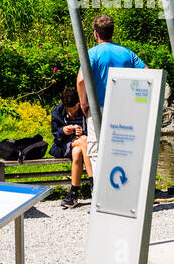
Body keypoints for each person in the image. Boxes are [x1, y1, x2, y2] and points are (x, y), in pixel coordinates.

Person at [76, 13, 146, 169]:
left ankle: (100, 189)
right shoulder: (127, 53)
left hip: (98, 107)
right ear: (112, 32)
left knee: (96, 150)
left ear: (95, 34)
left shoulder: (92, 54)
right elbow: (147, 73)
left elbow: (81, 81)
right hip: (123, 108)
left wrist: (83, 103)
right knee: (121, 148)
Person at [50, 85, 92, 209]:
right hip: (64, 144)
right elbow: (55, 134)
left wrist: (83, 132)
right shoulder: (57, 111)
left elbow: (94, 132)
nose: (71, 112)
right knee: (84, 141)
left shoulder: (86, 109)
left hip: (81, 146)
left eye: (73, 109)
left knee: (77, 152)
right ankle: (94, 185)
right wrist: (63, 130)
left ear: (78, 103)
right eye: (68, 109)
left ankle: (73, 194)